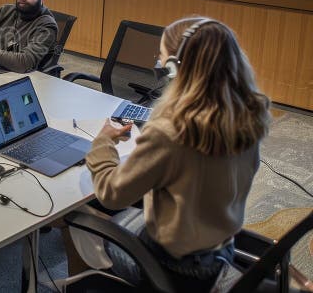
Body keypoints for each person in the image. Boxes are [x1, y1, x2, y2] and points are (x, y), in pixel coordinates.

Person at [82, 17, 271, 290]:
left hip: (172, 269)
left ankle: (90, 281)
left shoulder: (171, 131)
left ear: (174, 68)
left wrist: (102, 142)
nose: (159, 63)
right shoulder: (250, 115)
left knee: (81, 217)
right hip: (221, 250)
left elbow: (112, 194)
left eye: (161, 57)